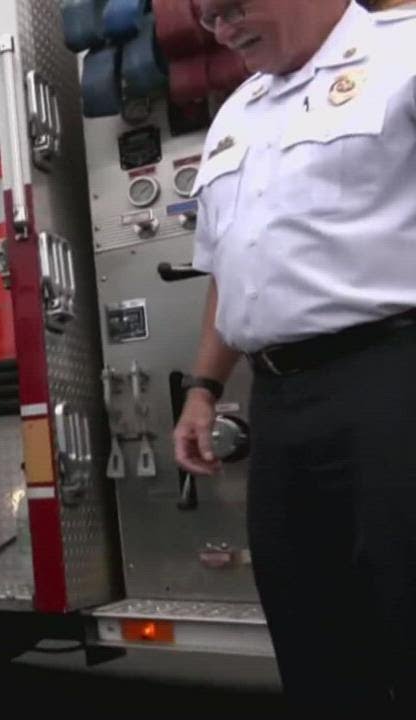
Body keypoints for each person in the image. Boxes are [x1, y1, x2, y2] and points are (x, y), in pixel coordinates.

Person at [175, 0, 416, 705]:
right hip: (280, 402)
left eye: (232, 7)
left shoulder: (404, 54)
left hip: (393, 378)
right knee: (311, 627)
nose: (221, 29)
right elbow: (231, 266)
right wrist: (203, 389)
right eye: (207, 17)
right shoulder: (237, 113)